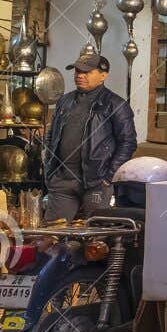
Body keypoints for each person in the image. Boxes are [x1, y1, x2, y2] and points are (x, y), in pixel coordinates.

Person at [42, 52, 138, 223]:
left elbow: (128, 142)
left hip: (97, 182)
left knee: (95, 238)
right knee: (51, 234)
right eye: (77, 71)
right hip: (63, 181)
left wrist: (109, 177)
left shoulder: (116, 104)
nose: (80, 75)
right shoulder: (64, 101)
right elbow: (52, 136)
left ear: (103, 75)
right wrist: (50, 170)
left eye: (87, 72)